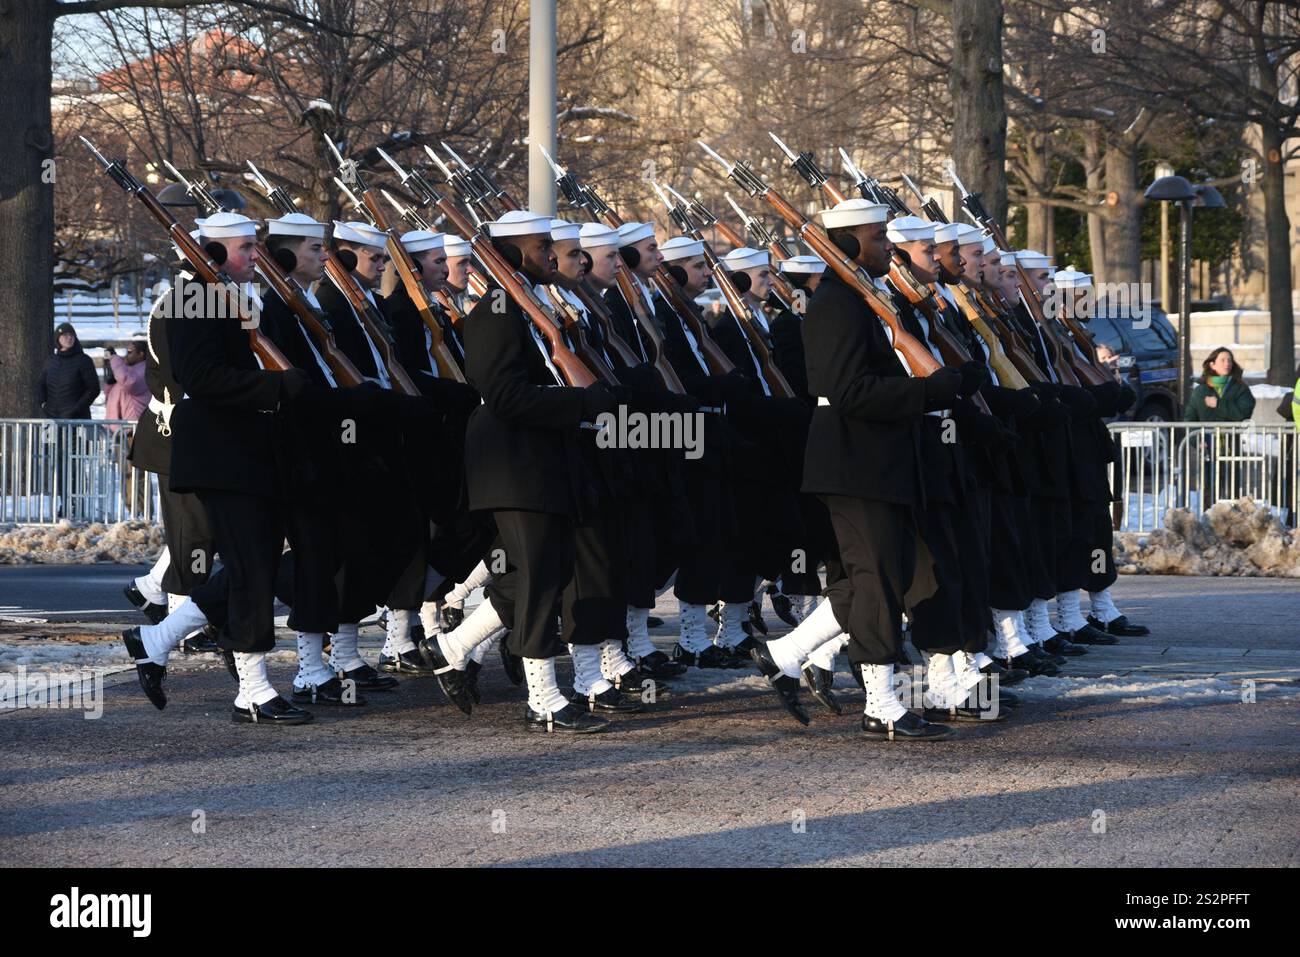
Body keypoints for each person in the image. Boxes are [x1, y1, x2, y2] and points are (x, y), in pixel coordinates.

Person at [39, 322, 99, 420]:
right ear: (58, 338)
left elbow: (93, 389)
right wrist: (43, 404)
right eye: (65, 335)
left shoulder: (84, 360)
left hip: (77, 421)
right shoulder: (51, 361)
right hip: (52, 419)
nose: (69, 338)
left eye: (71, 335)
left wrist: (76, 410)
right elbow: (41, 384)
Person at [1185, 347, 1255, 422]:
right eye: (1223, 360)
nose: (1227, 363)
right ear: (1212, 365)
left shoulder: (1241, 389)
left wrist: (1219, 405)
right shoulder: (1200, 391)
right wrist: (1198, 433)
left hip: (1231, 433)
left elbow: (1244, 415)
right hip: (1204, 433)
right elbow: (1190, 419)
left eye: (1229, 360)